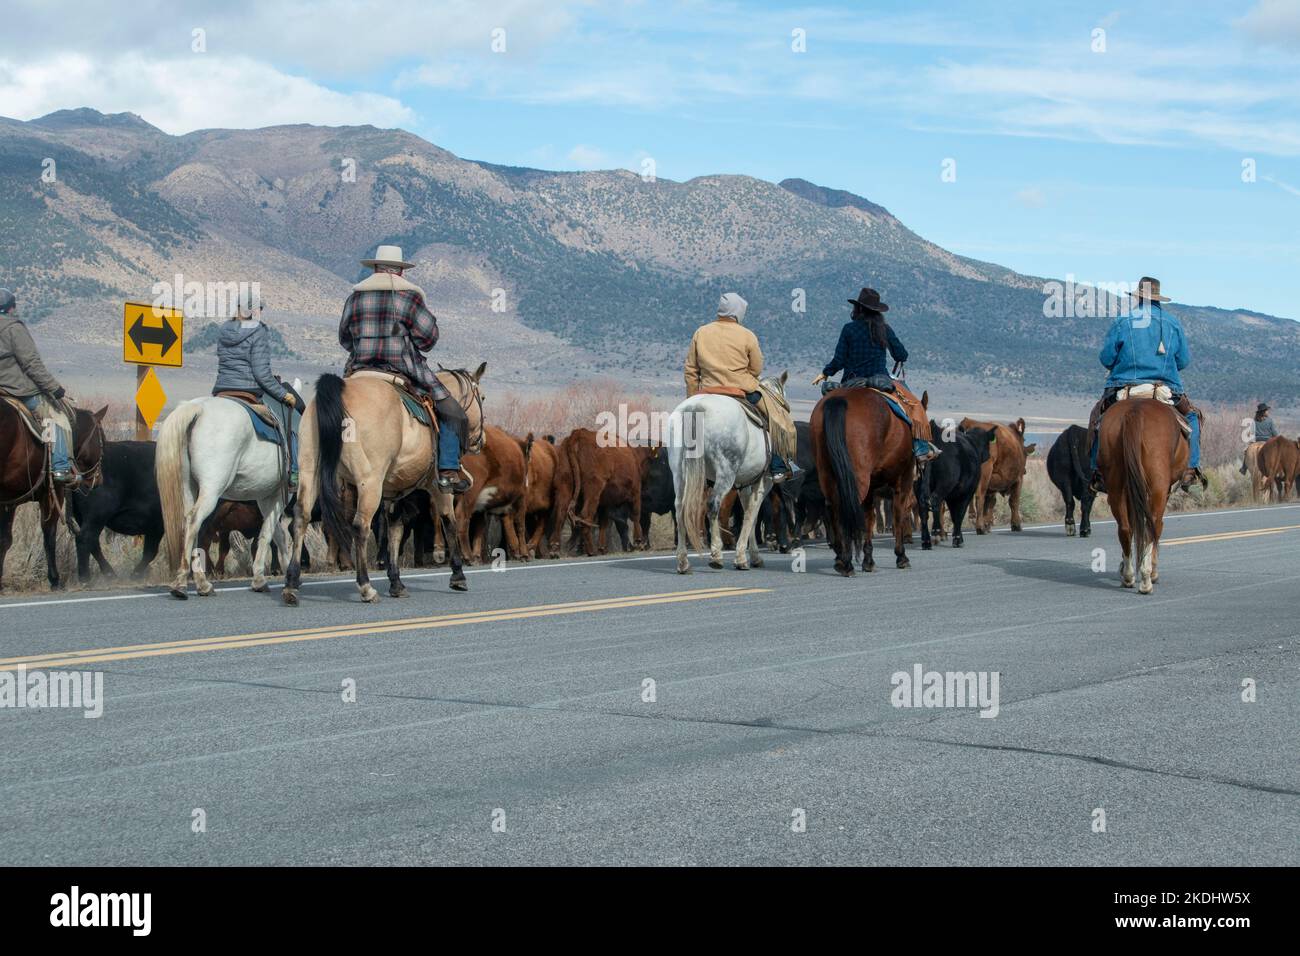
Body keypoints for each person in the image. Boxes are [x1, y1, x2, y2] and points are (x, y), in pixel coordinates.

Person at [339, 245, 469, 493]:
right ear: (400, 272)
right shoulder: (409, 299)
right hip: (404, 371)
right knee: (453, 412)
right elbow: (428, 340)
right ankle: (448, 471)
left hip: (358, 370)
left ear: (375, 268)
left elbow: (344, 339)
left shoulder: (354, 299)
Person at [1088, 277, 1203, 491]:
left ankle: (1096, 471)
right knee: (1192, 417)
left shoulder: (1123, 321)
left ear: (1139, 297)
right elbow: (1184, 361)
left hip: (1124, 387)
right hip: (1164, 389)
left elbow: (1106, 358)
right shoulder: (1173, 323)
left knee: (1099, 419)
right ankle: (1191, 469)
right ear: (1158, 299)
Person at [812, 286, 939, 461]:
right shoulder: (884, 329)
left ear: (858, 308)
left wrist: (825, 373)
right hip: (880, 380)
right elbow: (901, 355)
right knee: (915, 405)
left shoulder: (848, 329)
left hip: (851, 382)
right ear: (877, 311)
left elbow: (839, 360)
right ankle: (921, 448)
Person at [684, 292, 797, 480]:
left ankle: (686, 461)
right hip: (739, 390)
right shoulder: (747, 335)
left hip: (706, 390)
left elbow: (690, 370)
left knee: (687, 420)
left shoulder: (701, 332)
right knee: (778, 417)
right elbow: (756, 367)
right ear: (737, 313)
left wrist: (692, 397)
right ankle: (779, 466)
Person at [211, 291, 302, 487]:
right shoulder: (258, 331)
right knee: (292, 421)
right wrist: (284, 394)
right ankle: (294, 471)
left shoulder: (225, 329)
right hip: (248, 390)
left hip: (222, 390)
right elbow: (261, 374)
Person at [0, 287, 79, 483]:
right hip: (18, 391)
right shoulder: (13, 328)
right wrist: (54, 388)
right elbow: (31, 364)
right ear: (11, 308)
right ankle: (61, 468)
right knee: (57, 417)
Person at [1241, 402, 1279, 474]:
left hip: (1256, 441)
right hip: (1267, 442)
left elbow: (1250, 433)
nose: (1268, 412)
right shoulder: (1270, 421)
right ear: (1264, 412)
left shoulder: (1253, 421)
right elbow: (1274, 433)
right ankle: (1279, 469)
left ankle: (1243, 468)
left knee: (1246, 452)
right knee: (1278, 453)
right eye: (1267, 410)